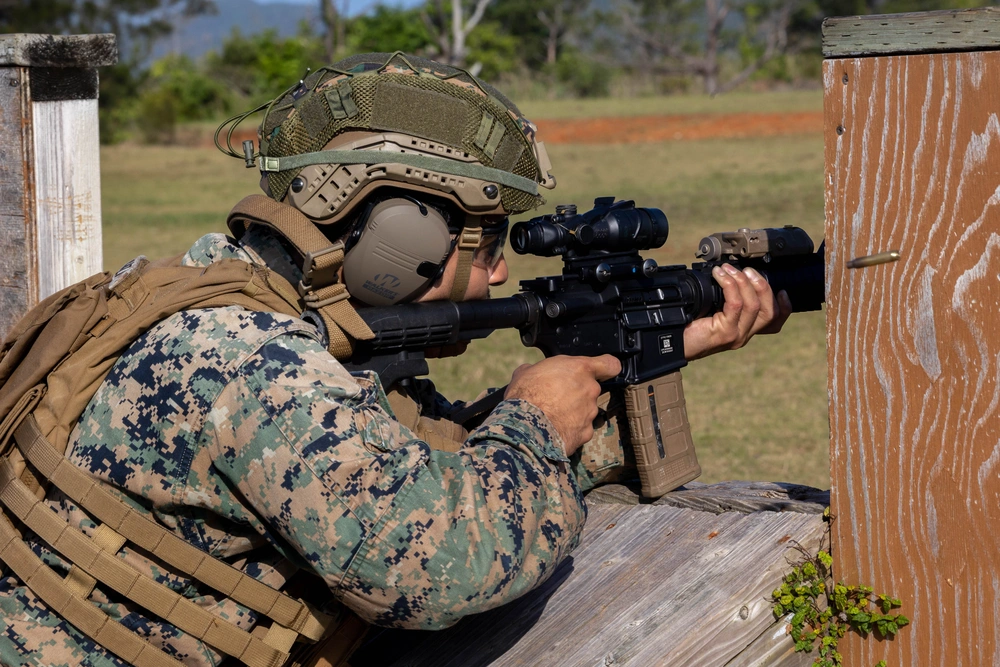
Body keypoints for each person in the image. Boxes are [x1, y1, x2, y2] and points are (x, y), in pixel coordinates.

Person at [0, 52, 790, 667]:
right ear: (400, 240)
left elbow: (419, 464)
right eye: (486, 243)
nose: (500, 274)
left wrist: (648, 357)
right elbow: (444, 564)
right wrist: (534, 421)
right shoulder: (257, 366)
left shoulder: (216, 300)